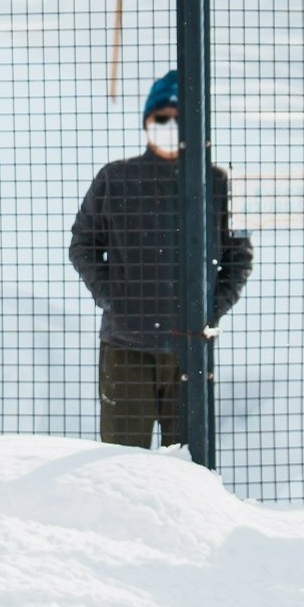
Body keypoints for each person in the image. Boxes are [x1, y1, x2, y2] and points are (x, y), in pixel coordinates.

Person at [69, 70, 252, 449]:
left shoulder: (219, 183)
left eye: (178, 118)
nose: (169, 126)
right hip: (126, 348)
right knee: (121, 460)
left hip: (191, 349)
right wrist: (112, 296)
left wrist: (211, 308)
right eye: (161, 118)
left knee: (187, 464)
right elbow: (83, 244)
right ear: (147, 122)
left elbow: (239, 256)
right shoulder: (115, 179)